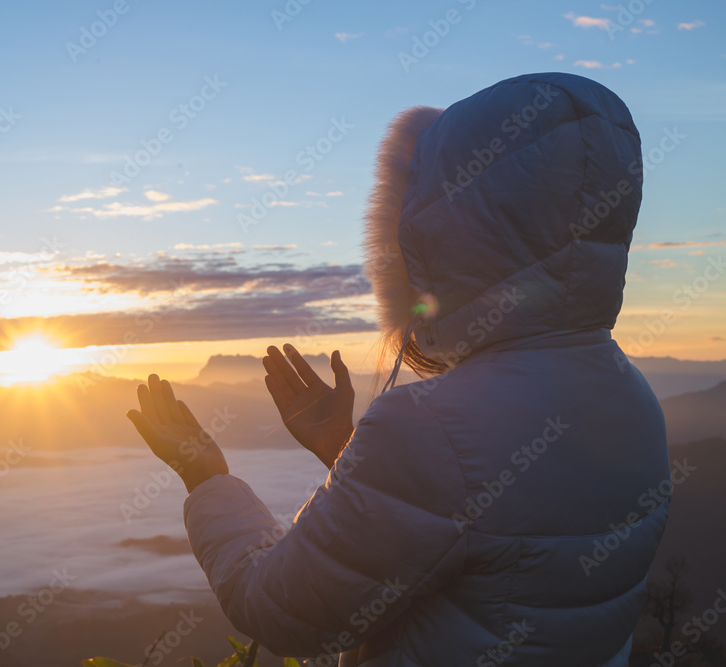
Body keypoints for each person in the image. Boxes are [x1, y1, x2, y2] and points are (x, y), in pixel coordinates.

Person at [126, 72, 670, 666]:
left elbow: (278, 612)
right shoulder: (631, 397)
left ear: (441, 238)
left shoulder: (431, 427)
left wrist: (205, 477)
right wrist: (344, 448)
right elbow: (495, 546)